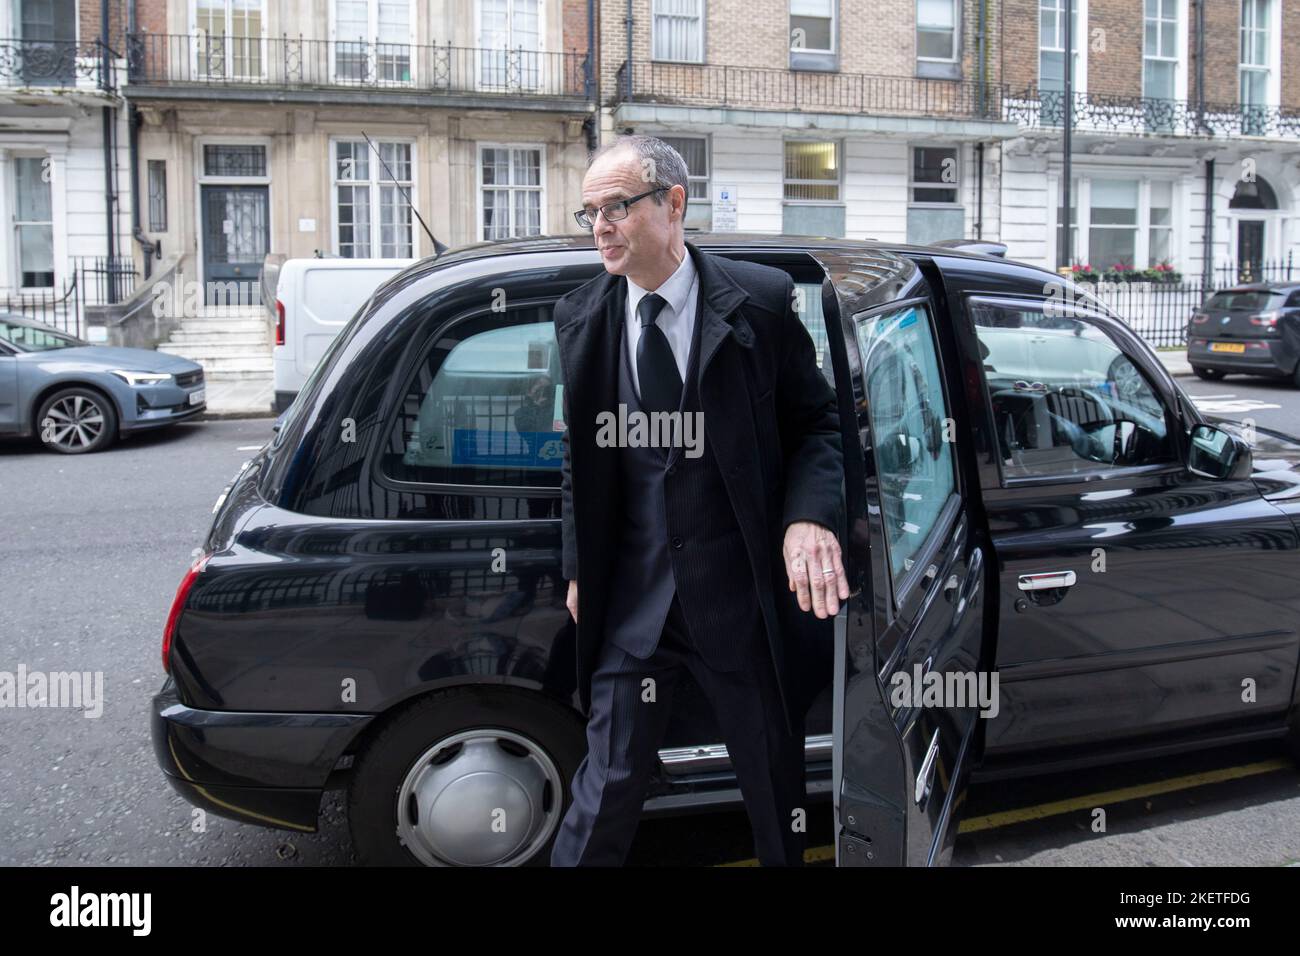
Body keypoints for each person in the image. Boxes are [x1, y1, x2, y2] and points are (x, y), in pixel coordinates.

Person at [550, 135, 847, 867]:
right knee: (605, 792)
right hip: (632, 603)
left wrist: (809, 515)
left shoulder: (763, 305)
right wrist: (578, 565)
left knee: (775, 795)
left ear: (673, 204)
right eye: (589, 212)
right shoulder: (580, 317)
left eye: (616, 207)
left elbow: (818, 423)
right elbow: (576, 460)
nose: (600, 227)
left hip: (739, 602)